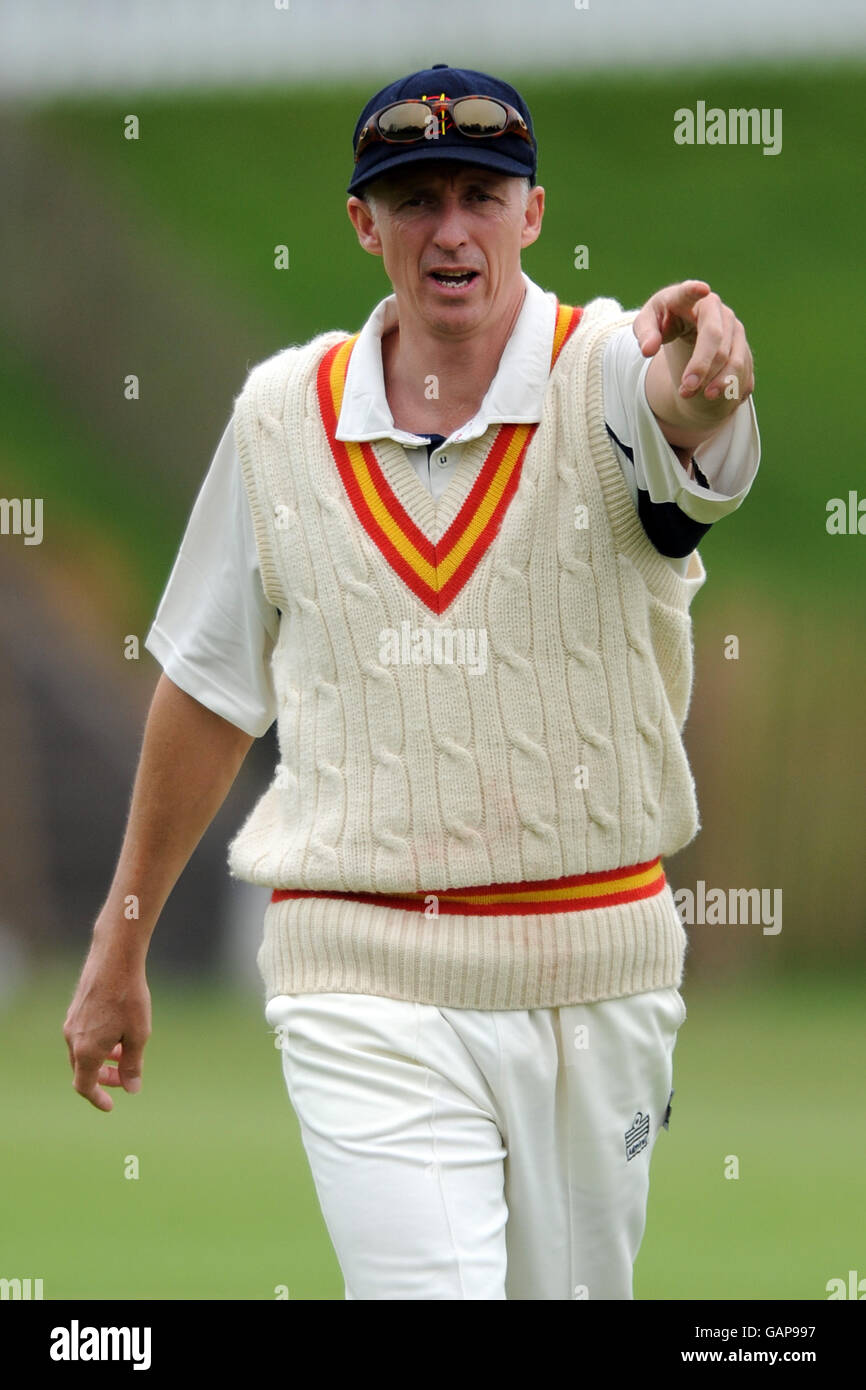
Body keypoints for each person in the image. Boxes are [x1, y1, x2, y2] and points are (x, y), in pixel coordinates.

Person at [64, 63, 759, 1301]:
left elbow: (682, 425)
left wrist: (704, 391)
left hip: (596, 973)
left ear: (531, 213)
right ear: (361, 223)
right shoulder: (280, 416)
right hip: (360, 975)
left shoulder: (604, 368)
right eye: (414, 197)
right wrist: (121, 943)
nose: (449, 229)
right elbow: (211, 688)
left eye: (480, 195)